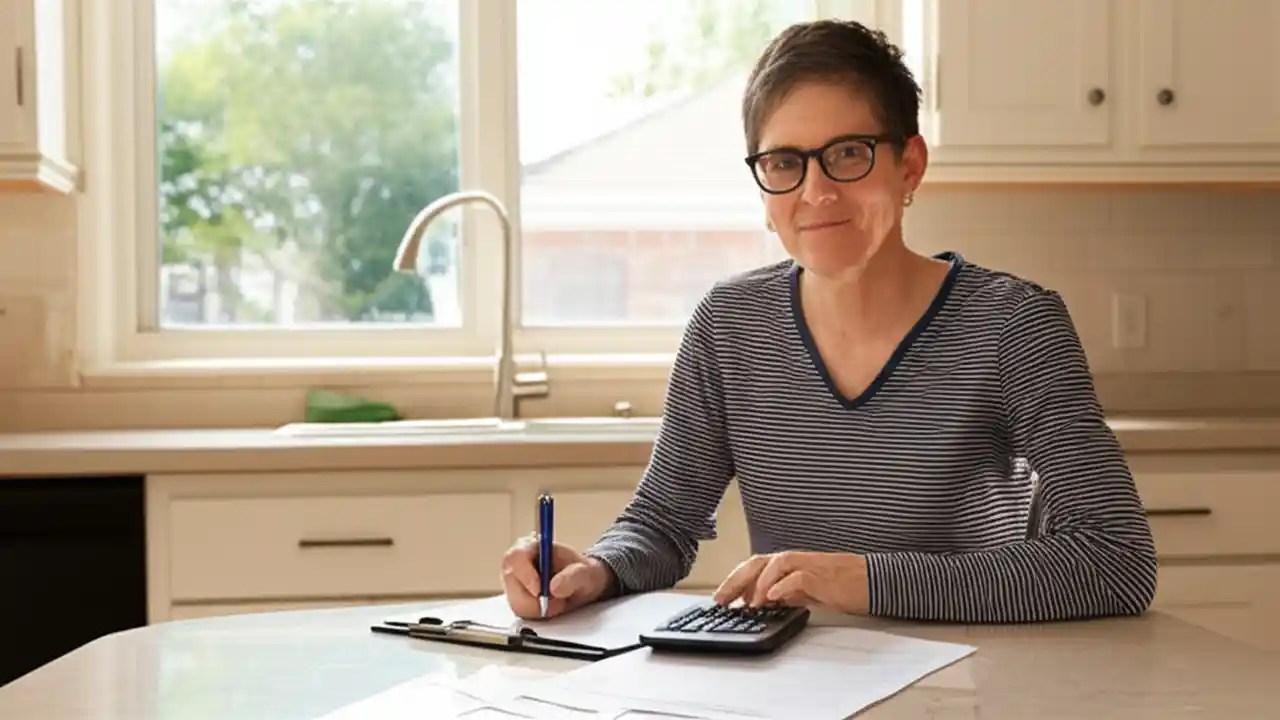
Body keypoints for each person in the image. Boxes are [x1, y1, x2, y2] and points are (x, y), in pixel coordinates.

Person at [500, 19, 1157, 623]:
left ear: (910, 166)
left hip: (969, 682)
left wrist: (862, 580)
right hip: (792, 684)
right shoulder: (729, 325)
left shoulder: (1015, 326)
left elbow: (1117, 561)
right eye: (785, 163)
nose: (815, 192)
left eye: (848, 154)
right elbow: (664, 521)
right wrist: (598, 569)